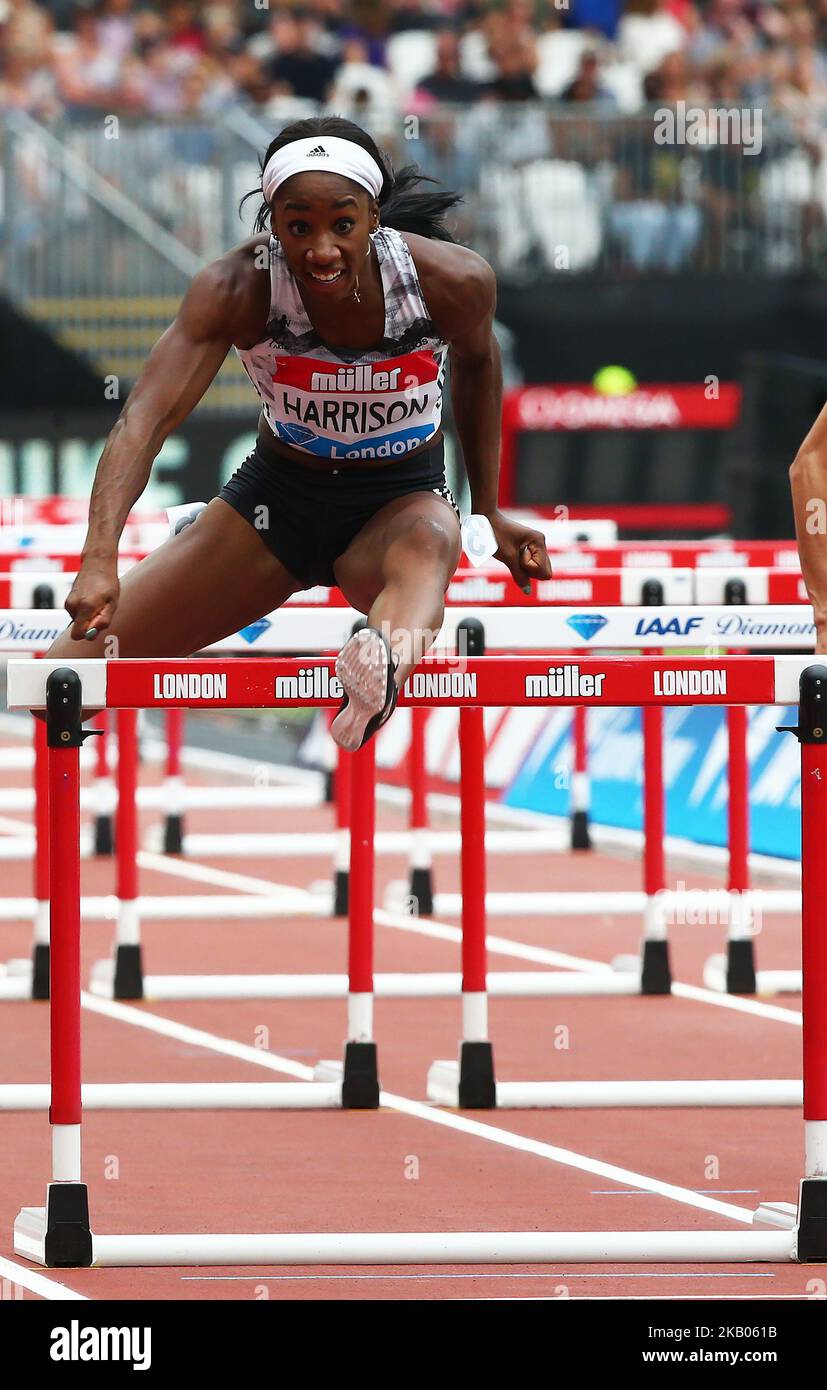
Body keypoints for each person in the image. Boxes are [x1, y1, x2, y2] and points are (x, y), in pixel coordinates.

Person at [51, 115, 552, 748]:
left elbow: (480, 368)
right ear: (270, 219)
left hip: (397, 502)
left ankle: (380, 666)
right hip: (272, 510)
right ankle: (201, 540)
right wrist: (99, 560)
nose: (321, 249)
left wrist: (489, 511)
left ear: (375, 217)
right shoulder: (236, 287)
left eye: (343, 224)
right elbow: (145, 421)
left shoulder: (450, 281)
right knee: (60, 688)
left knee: (430, 542)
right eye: (297, 227)